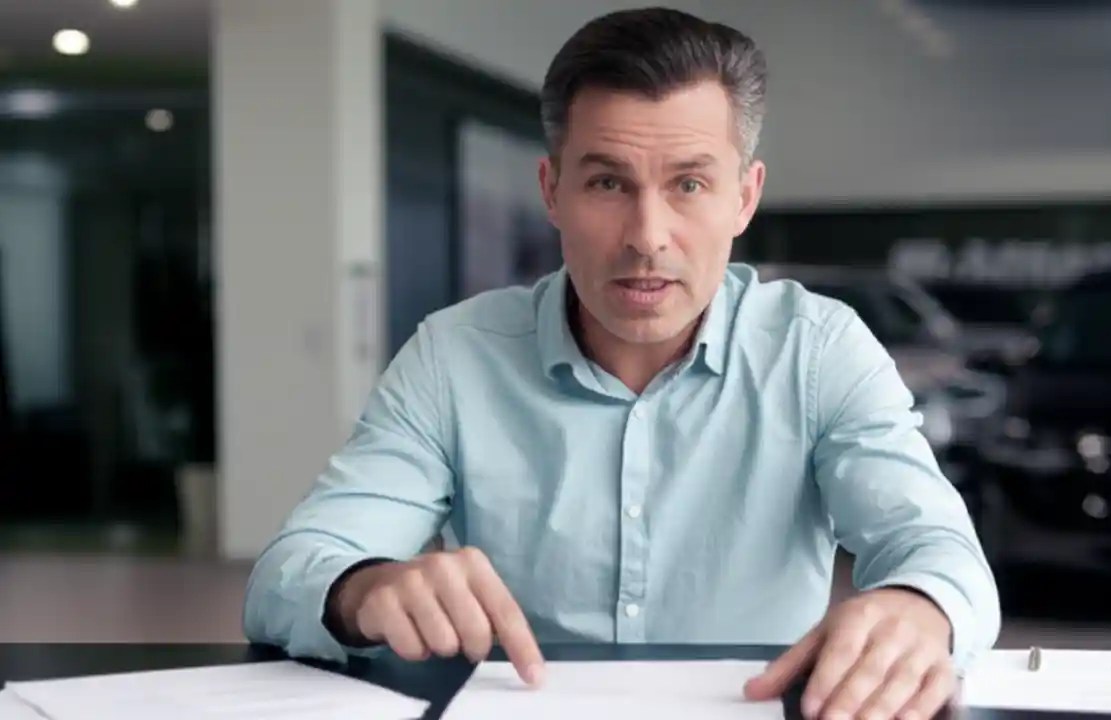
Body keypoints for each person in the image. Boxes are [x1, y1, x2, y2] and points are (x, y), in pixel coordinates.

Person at [244, 7, 1000, 719]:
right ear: (553, 191)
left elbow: (938, 548)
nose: (647, 235)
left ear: (744, 197)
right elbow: (291, 573)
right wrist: (364, 588)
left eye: (690, 184)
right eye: (608, 182)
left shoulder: (819, 349)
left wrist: (920, 606)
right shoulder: (454, 356)